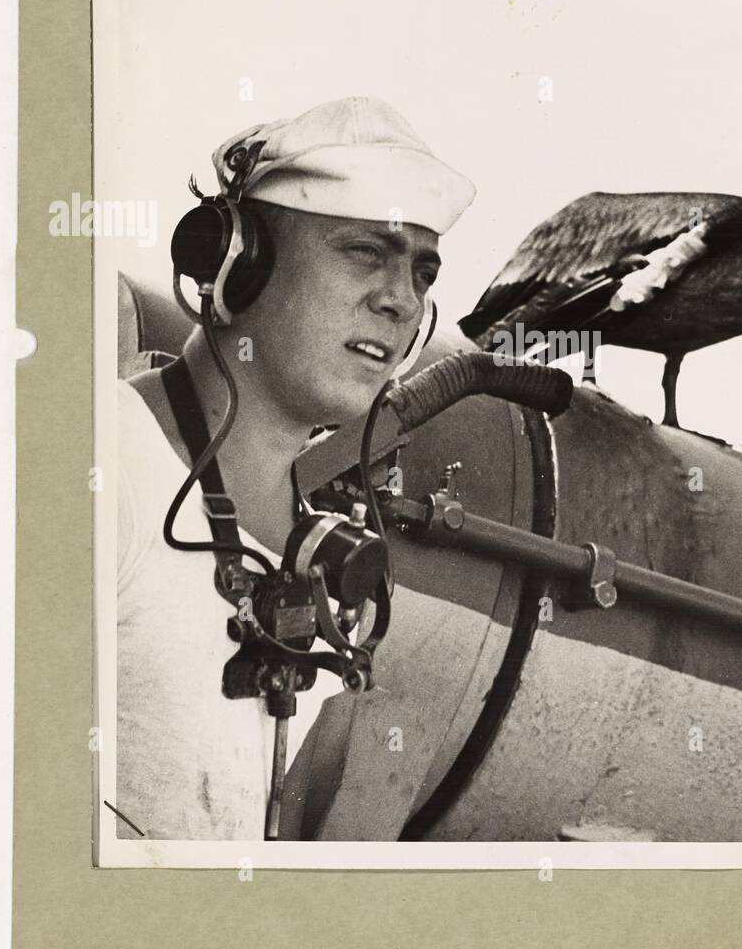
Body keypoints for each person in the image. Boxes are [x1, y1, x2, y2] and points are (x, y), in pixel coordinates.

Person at [115, 97, 475, 840]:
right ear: (236, 265)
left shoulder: (322, 558)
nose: (400, 300)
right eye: (366, 252)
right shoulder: (100, 466)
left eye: (423, 272)